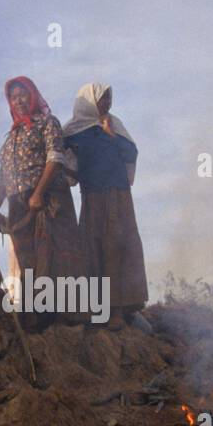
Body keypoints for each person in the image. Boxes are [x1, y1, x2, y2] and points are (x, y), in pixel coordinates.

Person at [0, 76, 84, 324]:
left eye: (23, 95)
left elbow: (55, 158)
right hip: (19, 204)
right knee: (27, 258)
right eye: (13, 97)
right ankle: (35, 313)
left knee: (51, 255)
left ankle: (62, 316)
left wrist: (38, 193)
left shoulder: (47, 123)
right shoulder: (12, 136)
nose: (18, 100)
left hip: (47, 201)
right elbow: (4, 176)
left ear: (32, 96)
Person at [64, 82, 148, 328]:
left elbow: (131, 153)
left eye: (109, 99)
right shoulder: (73, 131)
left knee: (118, 246)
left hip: (118, 196)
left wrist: (112, 136)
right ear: (90, 101)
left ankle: (120, 309)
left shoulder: (114, 124)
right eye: (103, 99)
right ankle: (95, 308)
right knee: (93, 247)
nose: (108, 104)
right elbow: (66, 163)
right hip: (92, 197)